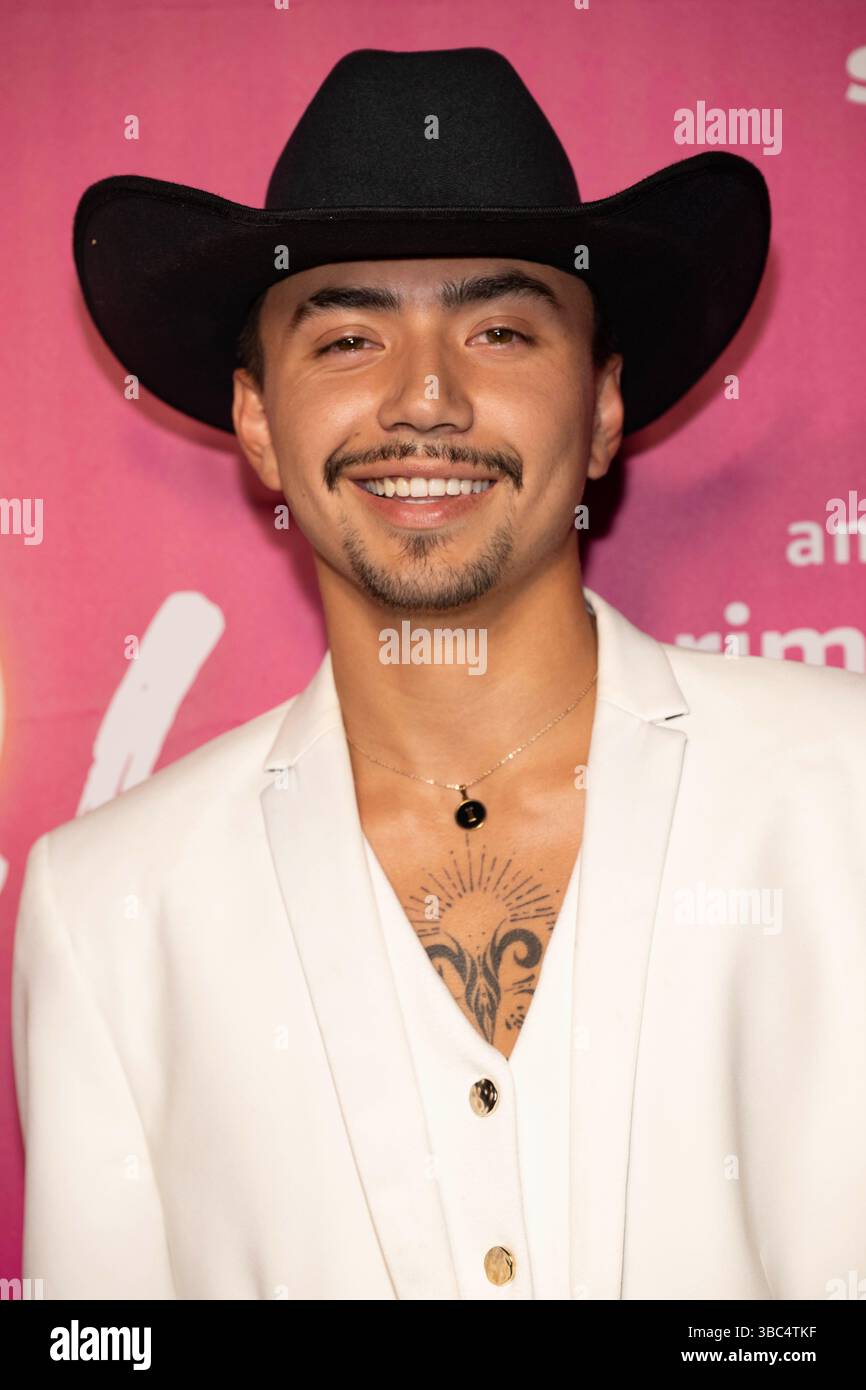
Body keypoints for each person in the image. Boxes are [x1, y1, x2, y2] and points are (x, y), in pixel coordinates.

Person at [12, 46, 866, 1301]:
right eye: (349, 334)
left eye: (502, 328)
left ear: (602, 408)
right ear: (257, 419)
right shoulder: (104, 913)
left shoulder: (844, 792)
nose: (426, 398)